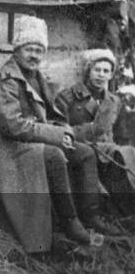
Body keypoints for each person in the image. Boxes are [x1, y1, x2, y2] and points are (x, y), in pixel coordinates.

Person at [0, 15, 116, 251]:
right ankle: (69, 223)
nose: (34, 56)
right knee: (53, 154)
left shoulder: (36, 77)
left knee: (83, 153)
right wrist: (53, 136)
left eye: (39, 50)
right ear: (17, 50)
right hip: (7, 147)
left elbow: (49, 115)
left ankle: (90, 215)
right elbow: (12, 125)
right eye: (29, 49)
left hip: (29, 140)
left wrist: (63, 130)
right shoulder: (7, 80)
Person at [54, 48, 135, 218]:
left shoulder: (114, 101)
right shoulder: (67, 97)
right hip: (81, 150)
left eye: (106, 71)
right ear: (88, 71)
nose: (101, 75)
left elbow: (117, 132)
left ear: (111, 75)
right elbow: (60, 128)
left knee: (126, 156)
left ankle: (126, 214)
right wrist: (89, 130)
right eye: (97, 70)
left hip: (108, 153)